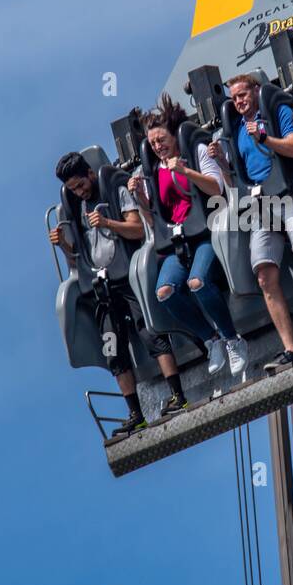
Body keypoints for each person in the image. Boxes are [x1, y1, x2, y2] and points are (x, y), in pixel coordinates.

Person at [207, 73, 293, 371]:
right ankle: (290, 350)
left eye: (243, 95)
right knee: (264, 277)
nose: (240, 102)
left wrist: (265, 137)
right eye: (235, 99)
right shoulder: (237, 128)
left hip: (287, 193)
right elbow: (235, 178)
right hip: (260, 203)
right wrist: (221, 161)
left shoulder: (276, 111)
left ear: (256, 90)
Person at [50, 152, 190, 446]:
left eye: (80, 184)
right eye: (73, 189)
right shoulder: (74, 207)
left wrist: (108, 223)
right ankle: (135, 413)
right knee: (113, 349)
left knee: (150, 332)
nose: (79, 192)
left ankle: (178, 395)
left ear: (89, 173)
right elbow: (76, 260)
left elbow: (137, 228)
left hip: (127, 275)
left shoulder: (115, 188)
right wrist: (63, 245)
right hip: (101, 286)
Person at [130, 95, 248, 376]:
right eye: (154, 143)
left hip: (204, 232)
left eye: (162, 140)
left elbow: (215, 188)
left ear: (174, 135)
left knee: (197, 282)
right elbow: (154, 219)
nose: (158, 147)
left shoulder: (195, 151)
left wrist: (186, 171)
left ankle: (233, 339)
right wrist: (139, 197)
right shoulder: (154, 169)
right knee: (165, 292)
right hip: (176, 242)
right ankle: (212, 339)